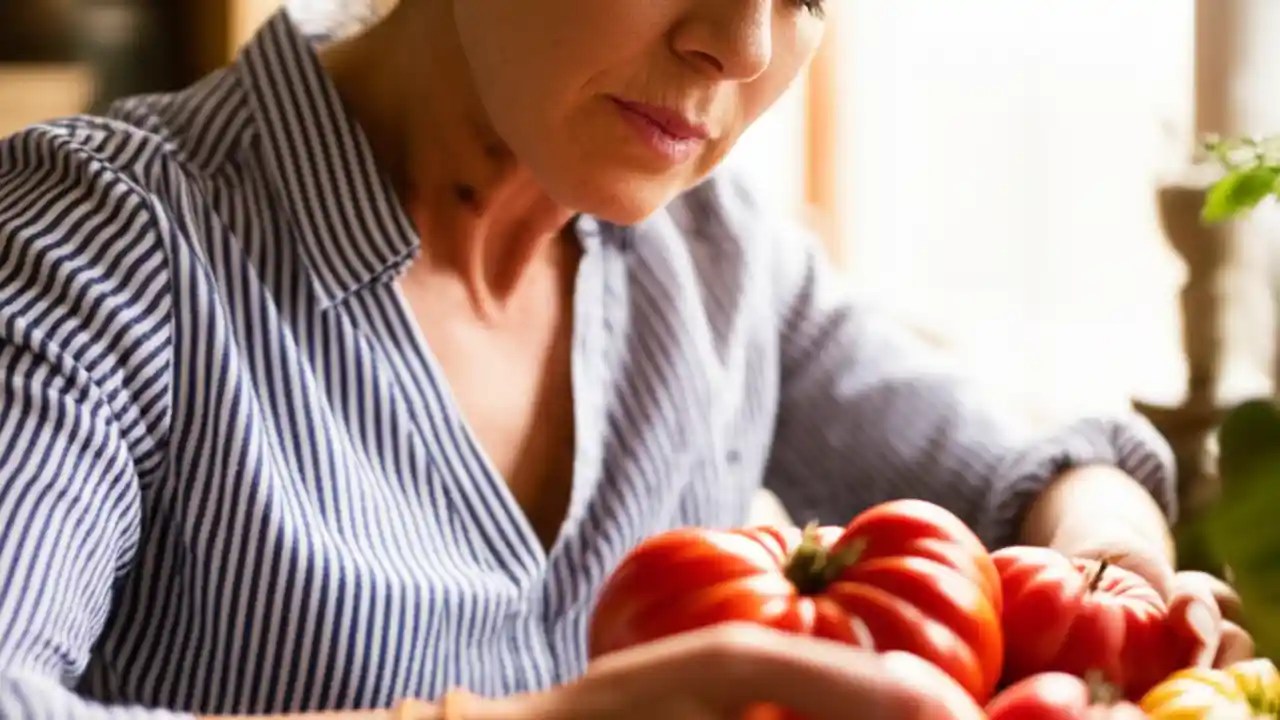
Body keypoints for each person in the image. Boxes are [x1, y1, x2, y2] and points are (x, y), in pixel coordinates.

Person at [0, 1, 1251, 718]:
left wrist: (1120, 575)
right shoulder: (88, 244)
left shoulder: (718, 257)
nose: (742, 44)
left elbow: (1022, 468)